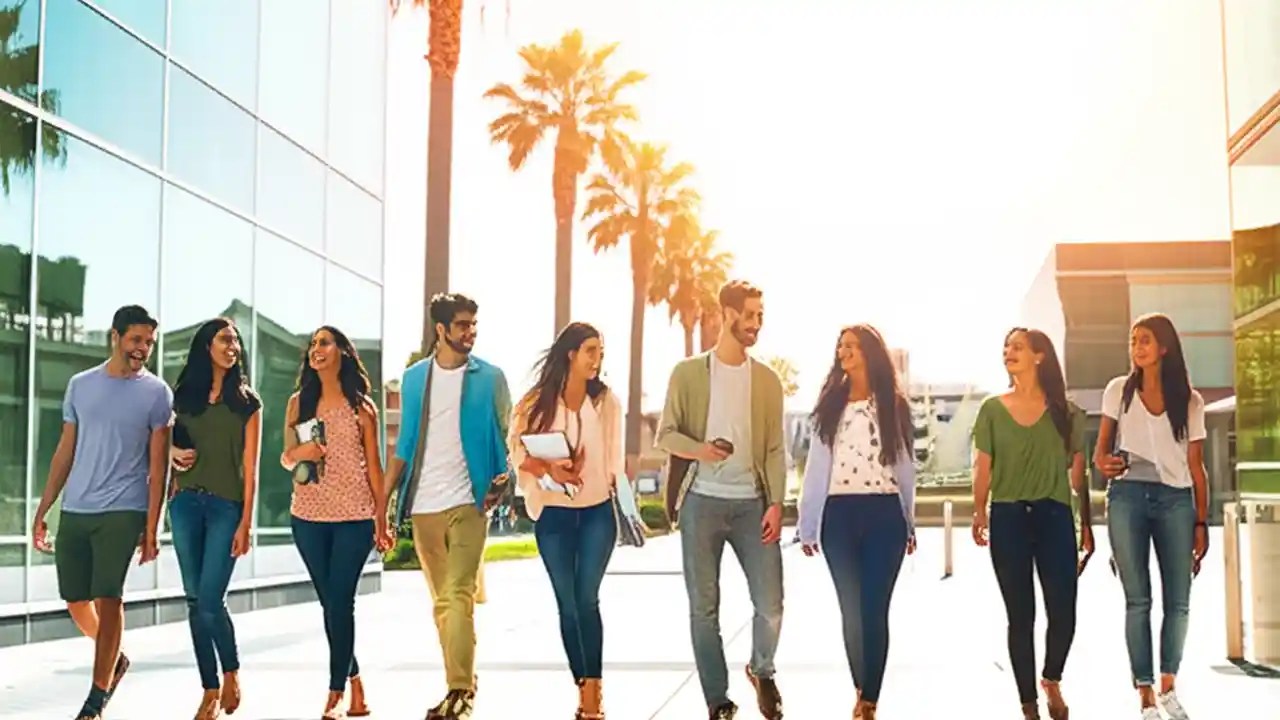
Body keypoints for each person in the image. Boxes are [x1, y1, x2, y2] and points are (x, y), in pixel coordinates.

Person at [30, 305, 173, 720]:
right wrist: (44, 507)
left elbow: (158, 465)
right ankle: (114, 660)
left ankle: (96, 699)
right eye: (135, 340)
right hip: (77, 506)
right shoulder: (80, 386)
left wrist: (152, 526)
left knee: (108, 596)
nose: (142, 348)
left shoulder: (157, 393)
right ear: (116, 336)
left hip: (124, 507)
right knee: (76, 600)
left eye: (149, 342)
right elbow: (65, 450)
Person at [655, 280, 786, 720]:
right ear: (726, 313)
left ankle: (761, 668)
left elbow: (773, 448)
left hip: (753, 503)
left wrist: (776, 503)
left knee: (770, 603)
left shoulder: (767, 380)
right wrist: (701, 450)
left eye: (760, 317)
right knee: (703, 607)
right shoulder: (688, 373)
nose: (755, 324)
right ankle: (718, 700)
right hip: (701, 502)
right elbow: (667, 434)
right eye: (748, 315)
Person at [385, 293, 512, 720]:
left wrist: (503, 479)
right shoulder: (415, 378)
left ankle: (460, 693)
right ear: (440, 329)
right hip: (424, 506)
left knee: (457, 595)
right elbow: (404, 444)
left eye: (473, 324)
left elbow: (505, 436)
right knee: (444, 603)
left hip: (470, 502)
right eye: (461, 325)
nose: (470, 332)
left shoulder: (490, 377)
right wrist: (383, 503)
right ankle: (462, 681)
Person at [971, 328, 1093, 720]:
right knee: (1020, 616)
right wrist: (978, 510)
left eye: (1018, 347)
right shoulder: (991, 408)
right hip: (1007, 518)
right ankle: (1028, 705)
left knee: (1064, 613)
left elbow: (1079, 476)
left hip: (1055, 516)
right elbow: (983, 465)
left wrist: (1086, 524)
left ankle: (1051, 678)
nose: (1009, 352)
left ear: (1040, 356)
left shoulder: (1067, 412)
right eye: (1005, 347)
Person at [797, 324, 917, 720]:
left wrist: (909, 520)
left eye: (851, 345)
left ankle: (869, 701)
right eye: (840, 345)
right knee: (850, 609)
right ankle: (861, 687)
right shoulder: (830, 405)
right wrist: (808, 523)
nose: (843, 350)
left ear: (869, 352)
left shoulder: (893, 404)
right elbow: (816, 468)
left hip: (884, 515)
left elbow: (904, 466)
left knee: (873, 607)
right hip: (840, 517)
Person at [1093, 313, 1209, 720]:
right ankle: (1144, 694)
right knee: (1137, 600)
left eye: (1145, 340)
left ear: (1163, 347)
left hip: (1177, 502)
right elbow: (1100, 452)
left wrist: (1201, 523)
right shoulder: (1117, 391)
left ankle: (1168, 685)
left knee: (1179, 602)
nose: (1136, 346)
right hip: (1127, 498)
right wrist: (1106, 464)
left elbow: (1197, 467)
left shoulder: (1190, 401)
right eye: (1132, 340)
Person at [509, 323, 622, 719]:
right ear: (570, 353)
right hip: (554, 516)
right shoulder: (533, 404)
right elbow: (517, 456)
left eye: (600, 351)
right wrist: (549, 469)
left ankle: (593, 693)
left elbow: (615, 462)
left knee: (586, 598)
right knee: (568, 604)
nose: (597, 359)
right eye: (590, 350)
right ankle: (582, 680)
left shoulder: (607, 402)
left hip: (596, 513)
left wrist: (608, 484)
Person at [281, 326, 392, 719]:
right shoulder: (299, 403)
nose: (316, 349)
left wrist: (383, 518)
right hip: (308, 516)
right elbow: (286, 458)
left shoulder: (362, 407)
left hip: (355, 518)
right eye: (313, 344)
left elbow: (375, 468)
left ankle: (335, 693)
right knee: (332, 605)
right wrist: (302, 451)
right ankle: (357, 687)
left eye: (324, 342)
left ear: (342, 351)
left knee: (341, 601)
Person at [167, 317, 262, 719]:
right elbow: (162, 445)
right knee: (194, 602)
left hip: (226, 508)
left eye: (236, 340)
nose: (233, 345)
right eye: (225, 338)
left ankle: (231, 671)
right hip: (185, 504)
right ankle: (208, 689)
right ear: (207, 346)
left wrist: (246, 523)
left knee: (209, 601)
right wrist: (172, 455)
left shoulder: (247, 403)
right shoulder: (183, 396)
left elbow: (251, 469)